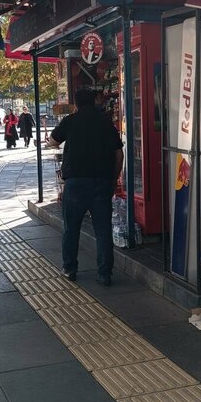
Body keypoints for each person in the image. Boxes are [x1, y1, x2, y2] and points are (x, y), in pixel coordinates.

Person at [48, 88, 123, 285]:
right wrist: (113, 179)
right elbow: (119, 154)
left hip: (75, 183)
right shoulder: (106, 123)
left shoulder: (70, 121)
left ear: (77, 103)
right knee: (103, 231)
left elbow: (53, 141)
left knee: (71, 228)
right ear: (95, 101)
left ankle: (70, 269)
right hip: (101, 182)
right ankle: (104, 274)